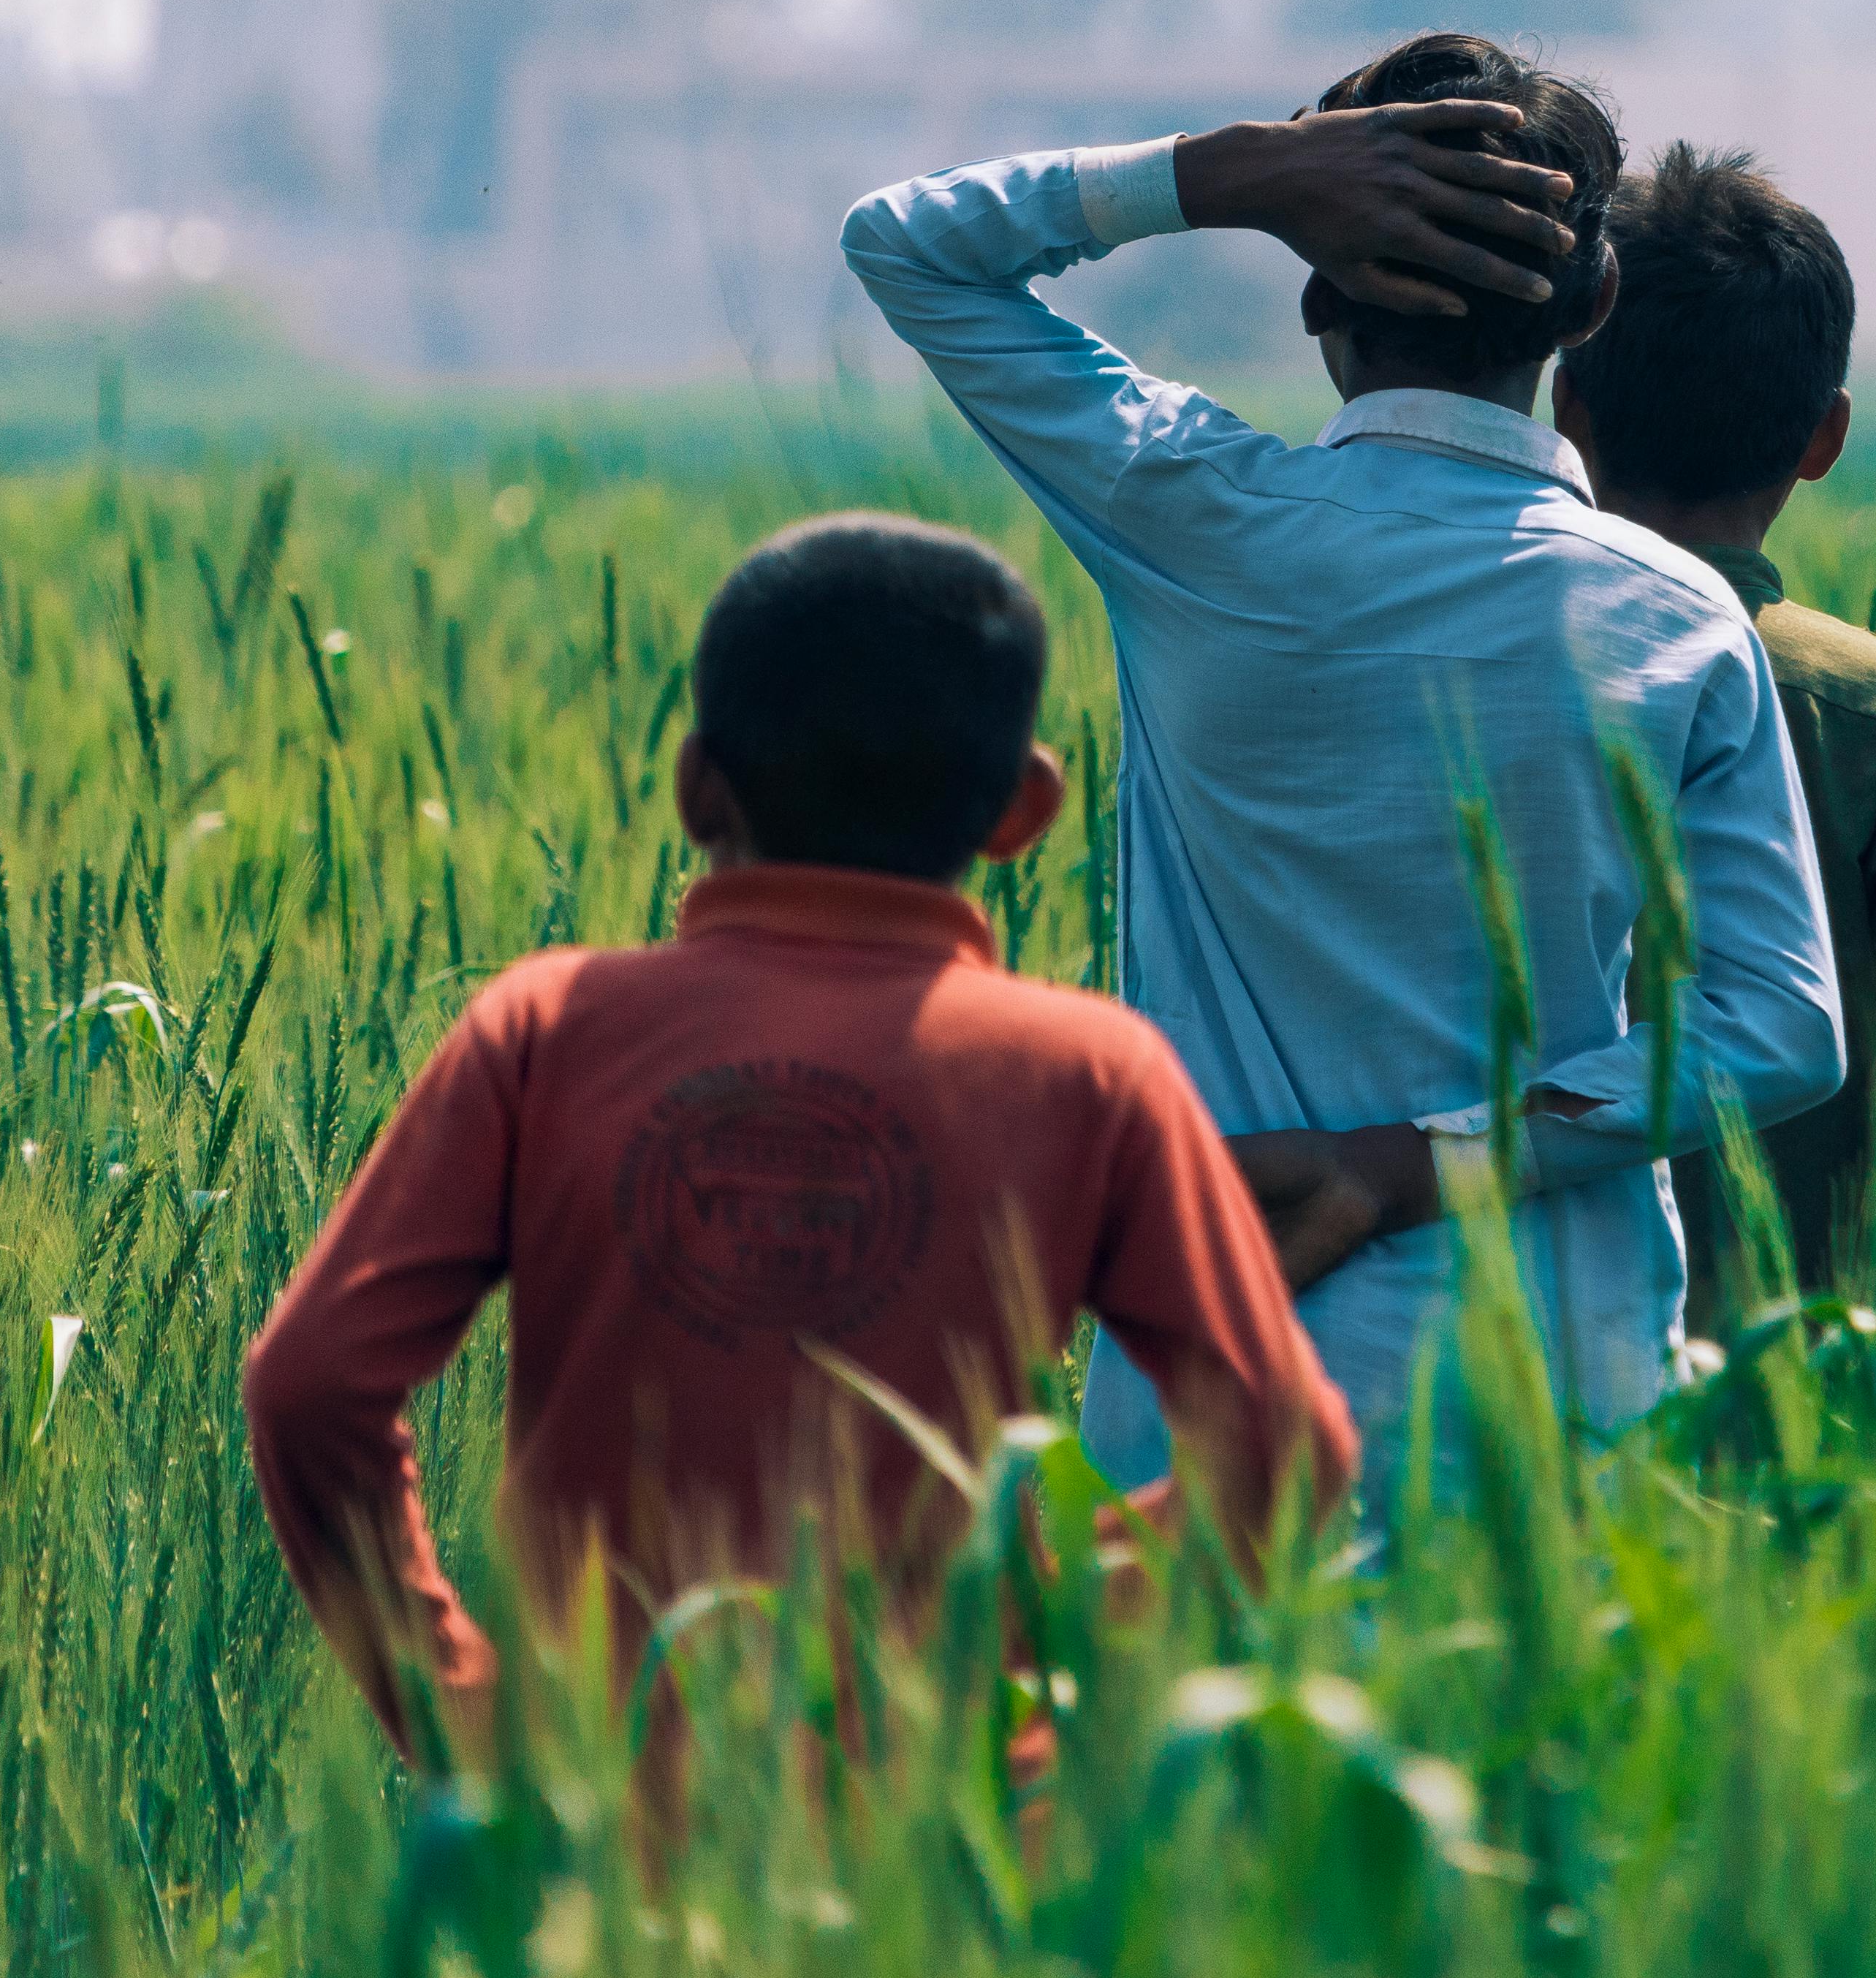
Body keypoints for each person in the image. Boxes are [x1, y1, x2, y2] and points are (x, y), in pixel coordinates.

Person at [839, 33, 1846, 1497]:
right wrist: (1402, 1164)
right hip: (1558, 1399)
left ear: (1313, 282)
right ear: (1598, 302)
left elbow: (908, 245)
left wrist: (1232, 173)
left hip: (1211, 1389)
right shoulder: (1676, 614)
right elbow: (1780, 1032)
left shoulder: (1184, 512)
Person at [240, 515, 1356, 1767]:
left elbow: (312, 1382)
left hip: (597, 1842)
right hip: (954, 1837)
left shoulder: (546, 1027)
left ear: (695, 784)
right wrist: (1034, 1630)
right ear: (1023, 810)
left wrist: (457, 1715)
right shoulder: (1089, 1073)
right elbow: (1283, 1449)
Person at [1551, 145, 1876, 1316]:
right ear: (1824, 437)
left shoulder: (1445, 656)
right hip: (1772, 1391)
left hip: (1456, 1372)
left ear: (1565, 408)